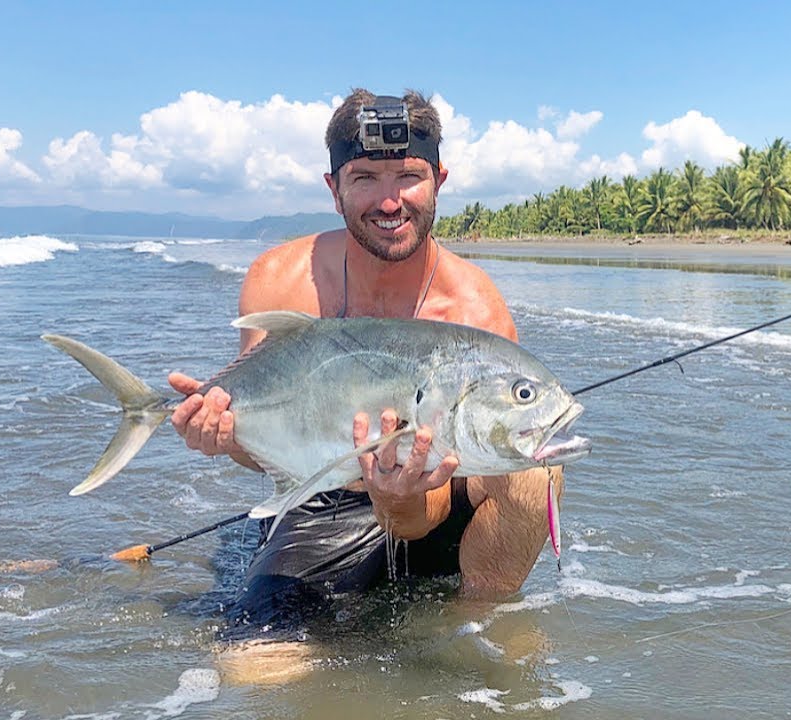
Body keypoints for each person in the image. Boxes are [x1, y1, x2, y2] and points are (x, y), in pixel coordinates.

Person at [167, 89, 563, 676]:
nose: (389, 200)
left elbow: (423, 511)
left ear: (438, 180)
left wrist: (401, 494)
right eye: (364, 177)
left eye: (408, 175)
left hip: (434, 498)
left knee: (537, 465)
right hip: (322, 497)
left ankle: (476, 625)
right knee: (256, 672)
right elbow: (271, 448)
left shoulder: (475, 309)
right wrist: (226, 438)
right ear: (333, 188)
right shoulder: (281, 281)